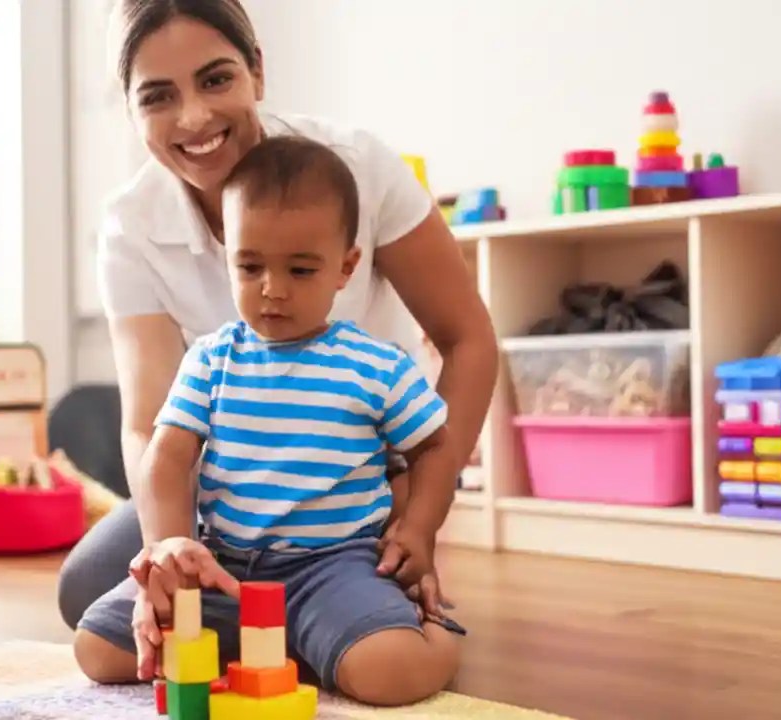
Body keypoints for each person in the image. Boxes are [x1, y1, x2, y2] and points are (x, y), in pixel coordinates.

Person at [58, 0, 497, 676]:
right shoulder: (132, 226)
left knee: (375, 645)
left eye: (215, 79)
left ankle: (344, 615)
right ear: (130, 108)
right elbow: (151, 425)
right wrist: (170, 548)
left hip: (357, 484)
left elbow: (468, 338)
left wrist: (420, 519)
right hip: (231, 501)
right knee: (86, 589)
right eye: (158, 96)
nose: (195, 118)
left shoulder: (356, 167)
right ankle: (285, 625)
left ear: (257, 71)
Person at [75, 134, 462, 706]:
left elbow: (434, 449)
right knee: (98, 649)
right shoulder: (211, 358)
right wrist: (171, 544)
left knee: (389, 673)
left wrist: (418, 530)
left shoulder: (377, 365)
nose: (272, 291)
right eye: (250, 266)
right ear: (229, 251)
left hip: (332, 566)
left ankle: (430, 634)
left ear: (345, 268)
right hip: (223, 567)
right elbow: (167, 455)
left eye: (301, 271)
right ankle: (283, 647)